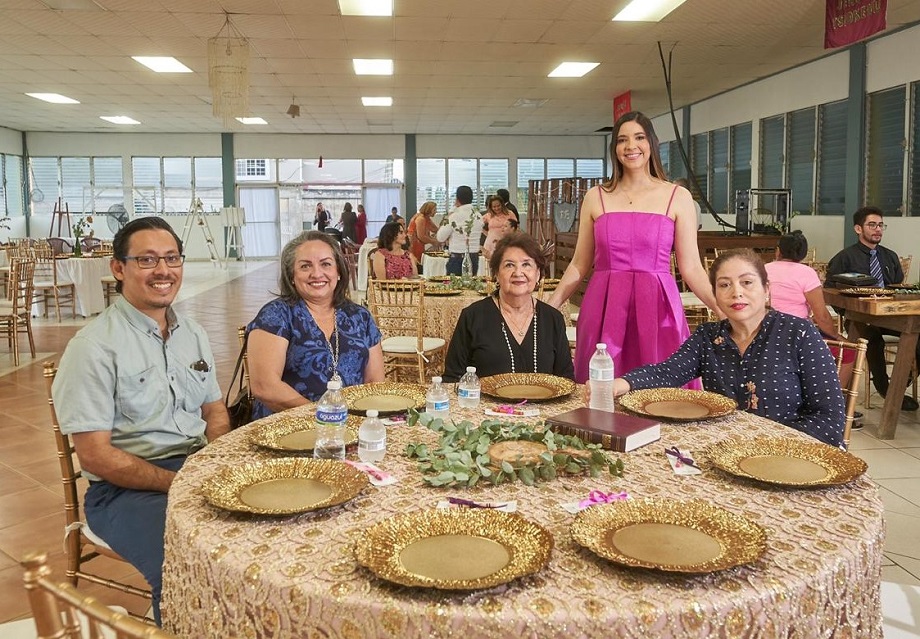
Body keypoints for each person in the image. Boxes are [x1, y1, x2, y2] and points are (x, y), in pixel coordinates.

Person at [52, 217, 229, 625]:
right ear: (119, 269)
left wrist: (215, 462)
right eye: (146, 260)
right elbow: (96, 457)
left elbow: (214, 410)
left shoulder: (193, 333)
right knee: (185, 561)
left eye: (171, 258)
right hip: (124, 491)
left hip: (195, 468)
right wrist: (180, 483)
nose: (163, 271)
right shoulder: (94, 347)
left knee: (261, 534)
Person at [547, 110, 720, 383]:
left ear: (651, 143)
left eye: (639, 137)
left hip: (658, 308)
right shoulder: (596, 197)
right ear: (614, 148)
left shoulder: (678, 196)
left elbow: (691, 268)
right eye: (622, 140)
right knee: (600, 391)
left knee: (660, 392)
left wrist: (721, 307)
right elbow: (579, 264)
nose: (631, 146)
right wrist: (549, 306)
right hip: (603, 308)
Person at [612, 249, 846, 447]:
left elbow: (830, 421)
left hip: (792, 454)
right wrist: (622, 383)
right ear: (715, 294)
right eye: (724, 285)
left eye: (747, 282)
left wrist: (765, 444)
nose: (736, 292)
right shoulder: (709, 337)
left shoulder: (798, 333)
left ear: (766, 289)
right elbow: (669, 372)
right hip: (729, 452)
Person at [248, 231, 385, 418]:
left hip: (351, 424)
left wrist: (359, 420)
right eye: (305, 266)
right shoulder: (276, 315)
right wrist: (325, 416)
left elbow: (374, 382)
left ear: (338, 272)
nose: (317, 274)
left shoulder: (359, 316)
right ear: (291, 276)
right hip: (287, 427)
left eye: (326, 264)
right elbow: (265, 387)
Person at [443, 233, 574, 382]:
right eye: (509, 265)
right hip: (485, 405)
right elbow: (452, 377)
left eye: (526, 264)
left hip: (543, 405)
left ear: (538, 274)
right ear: (497, 274)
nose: (518, 273)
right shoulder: (473, 316)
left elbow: (566, 380)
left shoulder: (553, 319)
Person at [827, 206, 919, 411]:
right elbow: (831, 291)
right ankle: (886, 389)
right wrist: (848, 309)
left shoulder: (890, 257)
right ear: (858, 229)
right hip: (860, 318)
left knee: (916, 333)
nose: (877, 229)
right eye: (872, 225)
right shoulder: (845, 257)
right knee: (871, 337)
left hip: (891, 317)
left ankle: (901, 383)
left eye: (880, 225)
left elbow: (897, 288)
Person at [765, 230, 854, 385]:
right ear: (803, 254)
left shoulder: (764, 269)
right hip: (797, 335)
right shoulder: (807, 273)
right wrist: (837, 336)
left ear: (778, 250)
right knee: (848, 352)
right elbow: (822, 317)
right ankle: (835, 402)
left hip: (765, 330)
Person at [437, 185, 484, 276]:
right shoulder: (478, 216)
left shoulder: (454, 216)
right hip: (474, 257)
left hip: (457, 258)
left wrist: (448, 216)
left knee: (455, 287)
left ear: (457, 199)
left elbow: (440, 237)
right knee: (470, 287)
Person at [481, 194, 516, 260]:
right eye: (494, 206)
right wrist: (486, 233)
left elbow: (516, 228)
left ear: (502, 204)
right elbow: (477, 223)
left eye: (498, 206)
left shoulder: (510, 213)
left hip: (504, 243)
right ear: (491, 207)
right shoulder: (488, 215)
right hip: (490, 244)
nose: (496, 208)